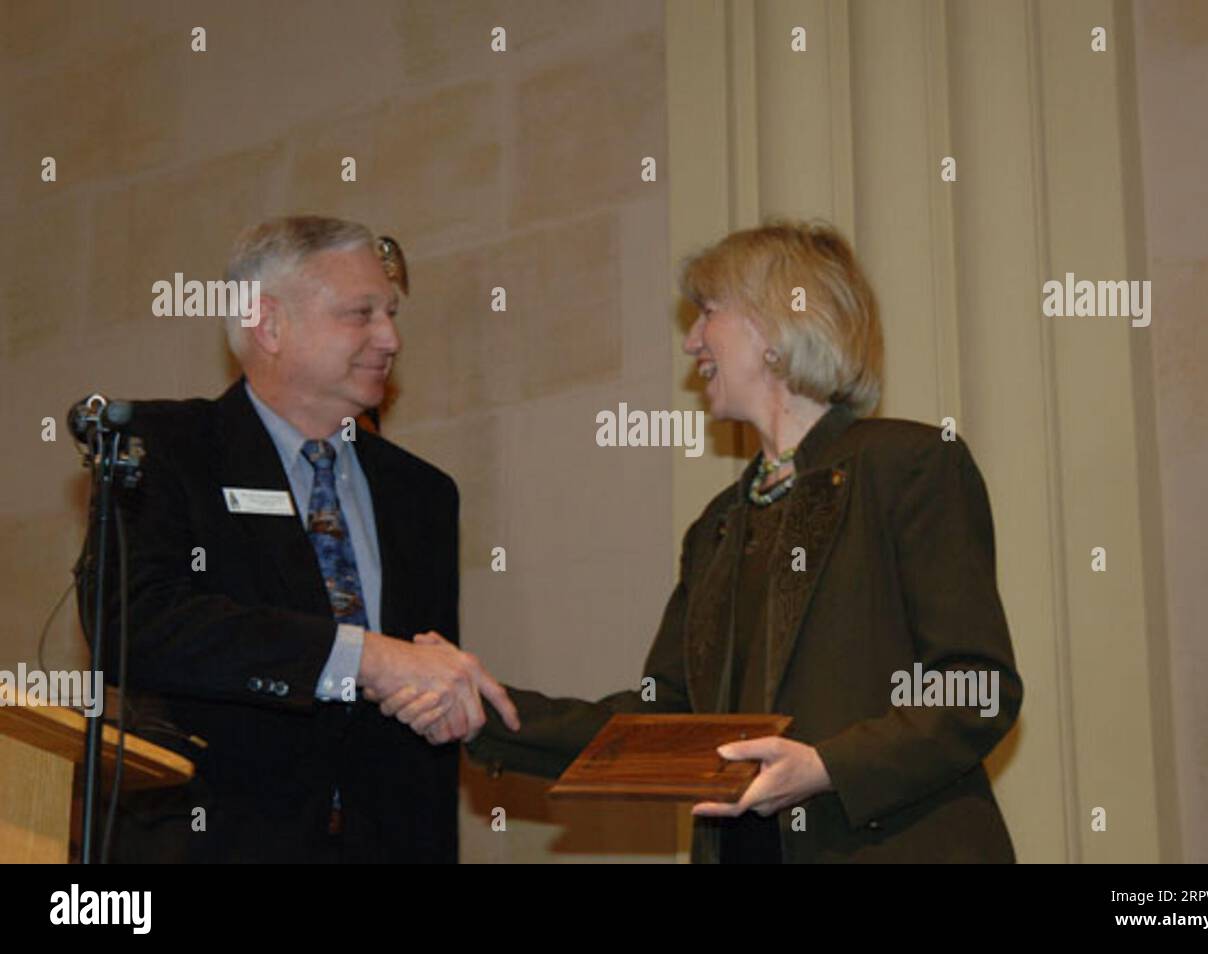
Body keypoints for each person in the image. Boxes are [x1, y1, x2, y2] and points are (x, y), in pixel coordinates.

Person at [446, 220, 1023, 863]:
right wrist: (484, 710)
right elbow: (662, 722)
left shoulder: (907, 466)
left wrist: (825, 766)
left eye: (708, 313)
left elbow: (977, 688)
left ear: (775, 328)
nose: (692, 341)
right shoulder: (718, 525)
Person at [78, 215, 518, 863]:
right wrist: (366, 656)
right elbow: (134, 626)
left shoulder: (421, 494)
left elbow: (422, 723)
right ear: (270, 325)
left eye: (391, 312)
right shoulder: (164, 449)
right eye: (360, 313)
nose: (390, 337)